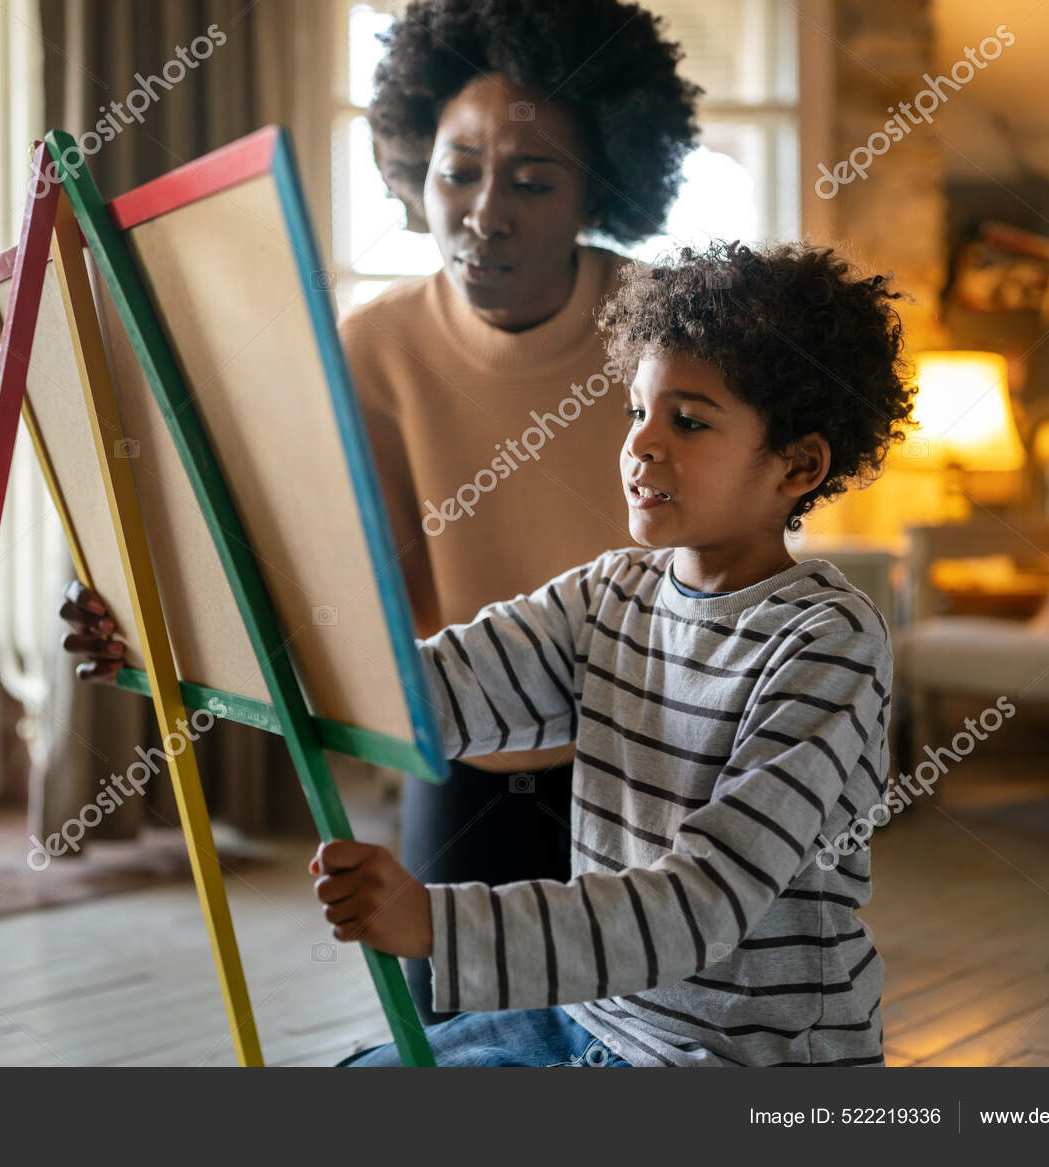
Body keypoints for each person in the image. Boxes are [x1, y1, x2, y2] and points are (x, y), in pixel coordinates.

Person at [63, 0, 702, 1026]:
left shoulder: (672, 334)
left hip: (651, 762)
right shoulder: (371, 352)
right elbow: (297, 570)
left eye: (533, 182)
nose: (484, 210)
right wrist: (146, 618)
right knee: (453, 1047)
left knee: (644, 1044)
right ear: (415, 167)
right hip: (464, 763)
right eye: (458, 171)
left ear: (602, 186)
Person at [310, 240, 916, 1067]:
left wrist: (433, 923)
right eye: (637, 411)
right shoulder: (610, 595)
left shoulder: (828, 642)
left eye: (689, 420)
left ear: (798, 465)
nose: (641, 445)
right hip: (593, 1021)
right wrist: (202, 634)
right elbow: (431, 691)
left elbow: (698, 907)